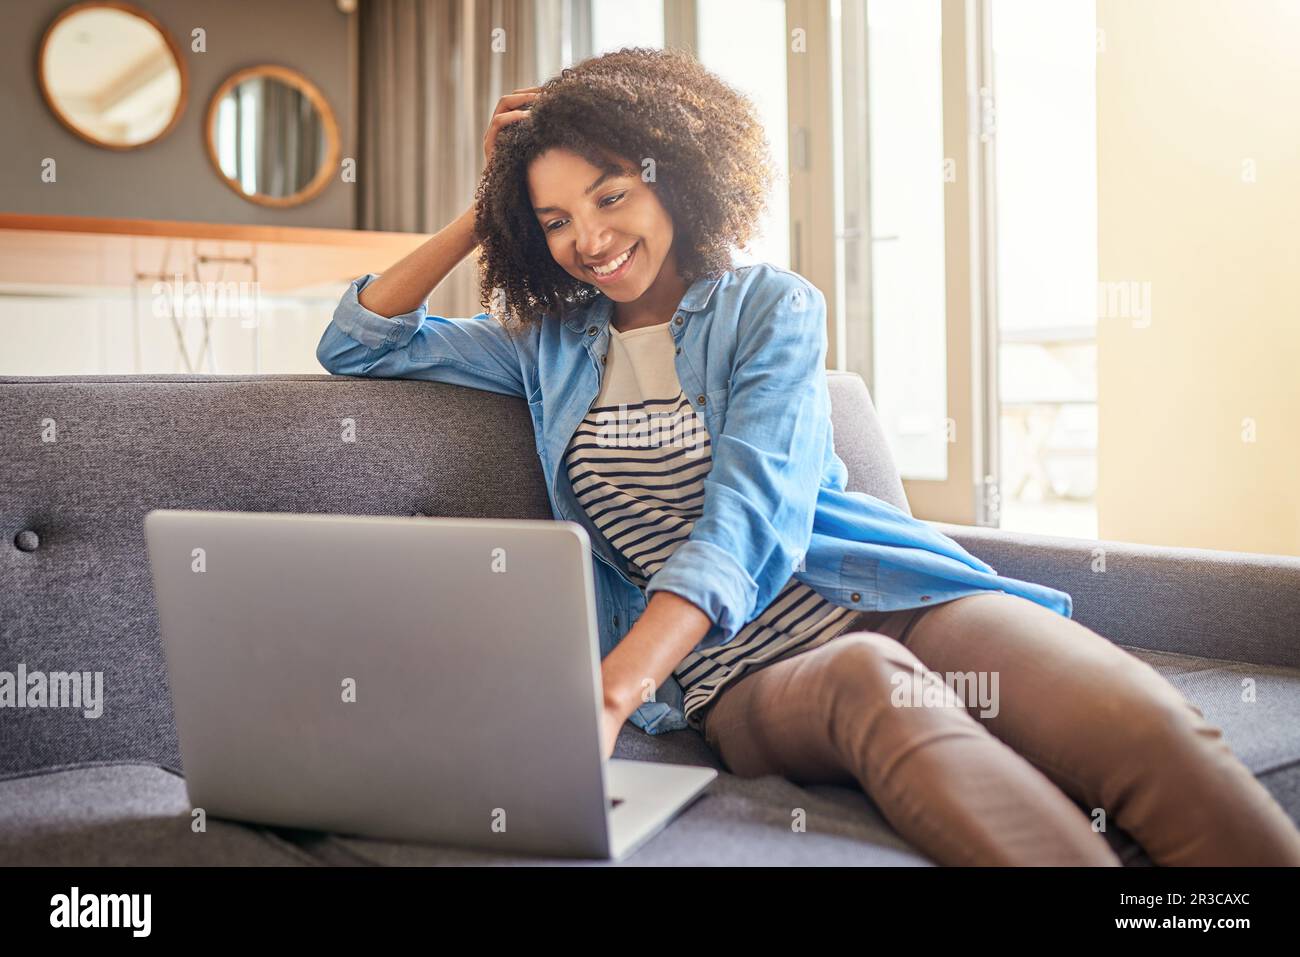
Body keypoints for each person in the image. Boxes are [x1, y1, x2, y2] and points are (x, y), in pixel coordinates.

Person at [317, 47, 1300, 866]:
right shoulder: (543, 347)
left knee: (1148, 727)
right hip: (741, 674)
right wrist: (490, 201)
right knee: (870, 680)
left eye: (609, 196)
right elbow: (356, 341)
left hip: (897, 597)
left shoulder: (769, 308)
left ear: (675, 172)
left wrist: (611, 686)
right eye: (555, 220)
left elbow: (753, 509)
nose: (589, 239)